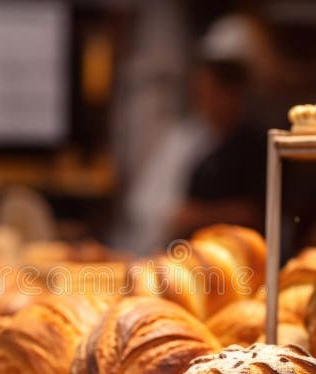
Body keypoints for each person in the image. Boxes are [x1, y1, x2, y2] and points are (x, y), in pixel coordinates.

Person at [115, 14, 268, 254]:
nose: (205, 102)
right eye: (200, 93)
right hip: (188, 256)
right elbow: (146, 206)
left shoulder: (255, 145)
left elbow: (255, 213)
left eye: (211, 94)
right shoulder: (191, 137)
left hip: (235, 258)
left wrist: (196, 215)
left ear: (233, 94)